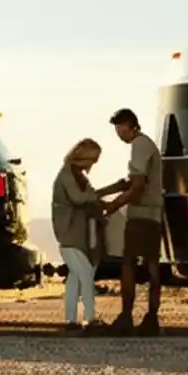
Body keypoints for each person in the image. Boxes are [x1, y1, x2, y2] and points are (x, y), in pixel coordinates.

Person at [98, 108, 165, 336]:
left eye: (119, 128)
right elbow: (131, 182)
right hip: (154, 214)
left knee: (128, 264)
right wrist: (104, 192)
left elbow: (137, 185)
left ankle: (126, 316)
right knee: (153, 266)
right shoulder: (148, 146)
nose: (119, 133)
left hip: (141, 215)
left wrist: (112, 206)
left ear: (130, 126)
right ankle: (151, 318)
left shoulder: (139, 145)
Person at [50, 137, 108, 331]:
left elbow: (90, 197)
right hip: (69, 234)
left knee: (76, 277)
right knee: (85, 276)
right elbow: (80, 199)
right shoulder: (67, 176)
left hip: (77, 233)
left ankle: (71, 319)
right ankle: (90, 318)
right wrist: (110, 191)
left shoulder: (78, 177)